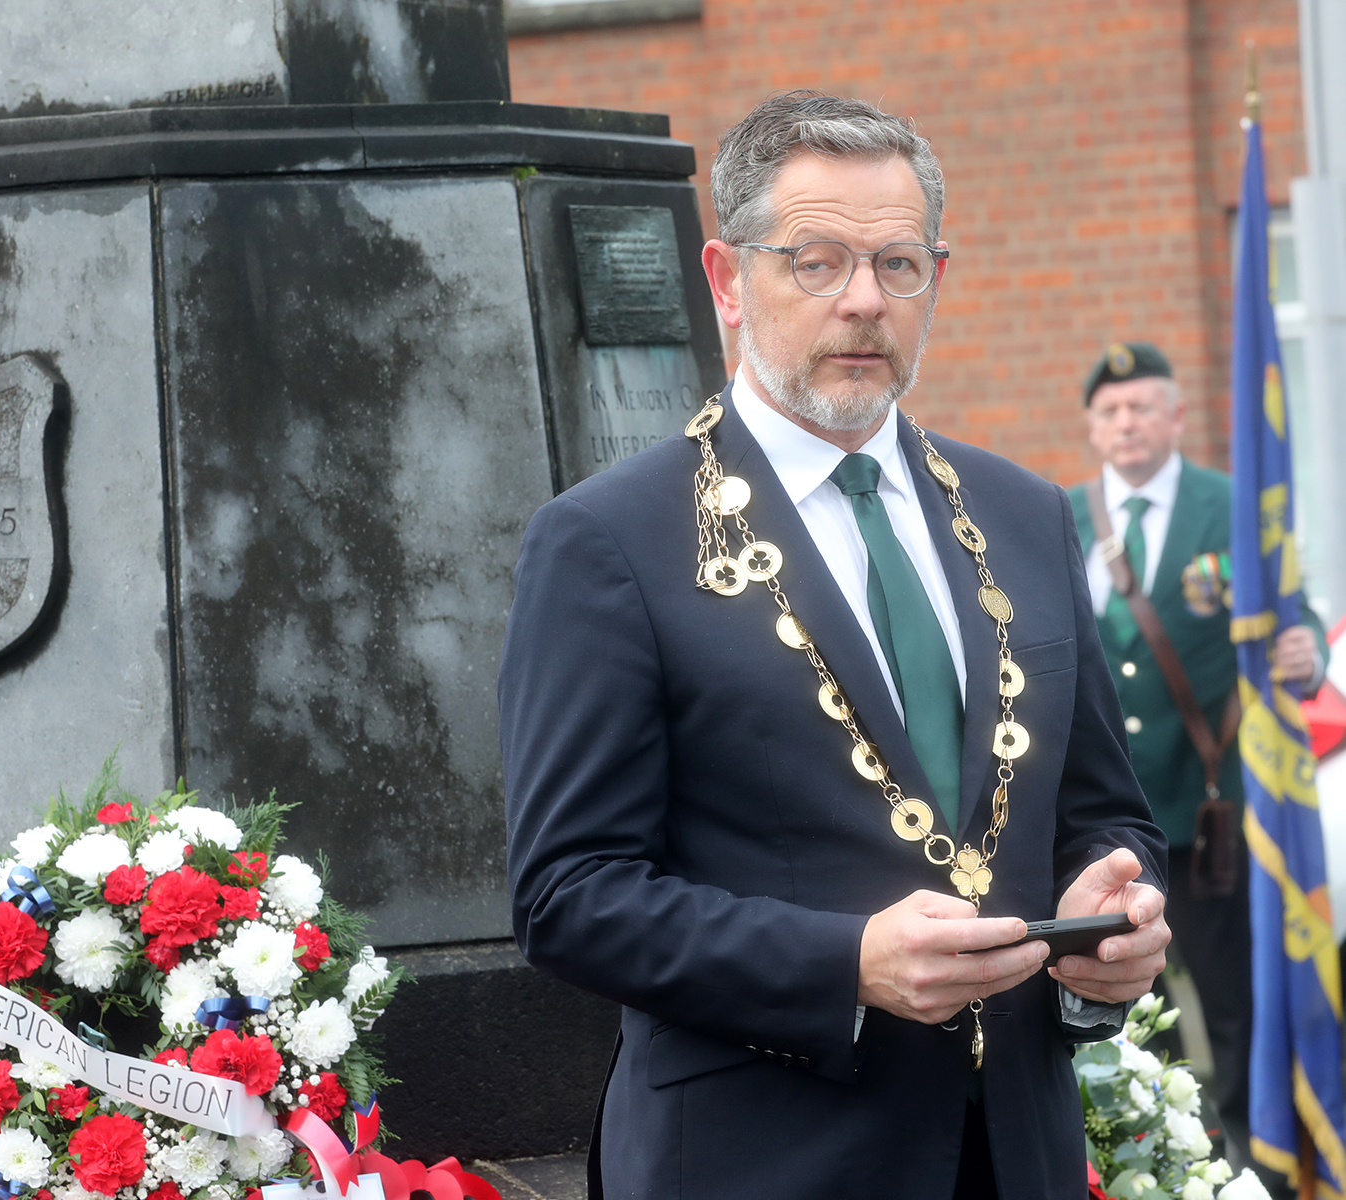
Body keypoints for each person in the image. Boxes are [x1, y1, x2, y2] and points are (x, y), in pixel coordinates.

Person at [500, 92, 1170, 1200]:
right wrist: (844, 964)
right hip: (760, 1158)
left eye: (898, 265)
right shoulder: (609, 540)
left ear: (936, 282)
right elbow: (569, 895)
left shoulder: (1025, 514)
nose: (864, 300)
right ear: (726, 281)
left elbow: (1103, 812)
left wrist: (1117, 918)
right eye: (815, 261)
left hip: (1018, 1155)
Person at [1068, 344, 1327, 1178]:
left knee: (1230, 1002)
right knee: (1136, 1012)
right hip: (1108, 819)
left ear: (1177, 417)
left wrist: (1306, 651)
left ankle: (1258, 1167)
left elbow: (1297, 613)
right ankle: (1166, 1169)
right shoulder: (1061, 516)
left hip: (1213, 810)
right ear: (1091, 428)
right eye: (1111, 411)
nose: (1127, 422)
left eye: (1143, 406)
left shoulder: (1232, 507)